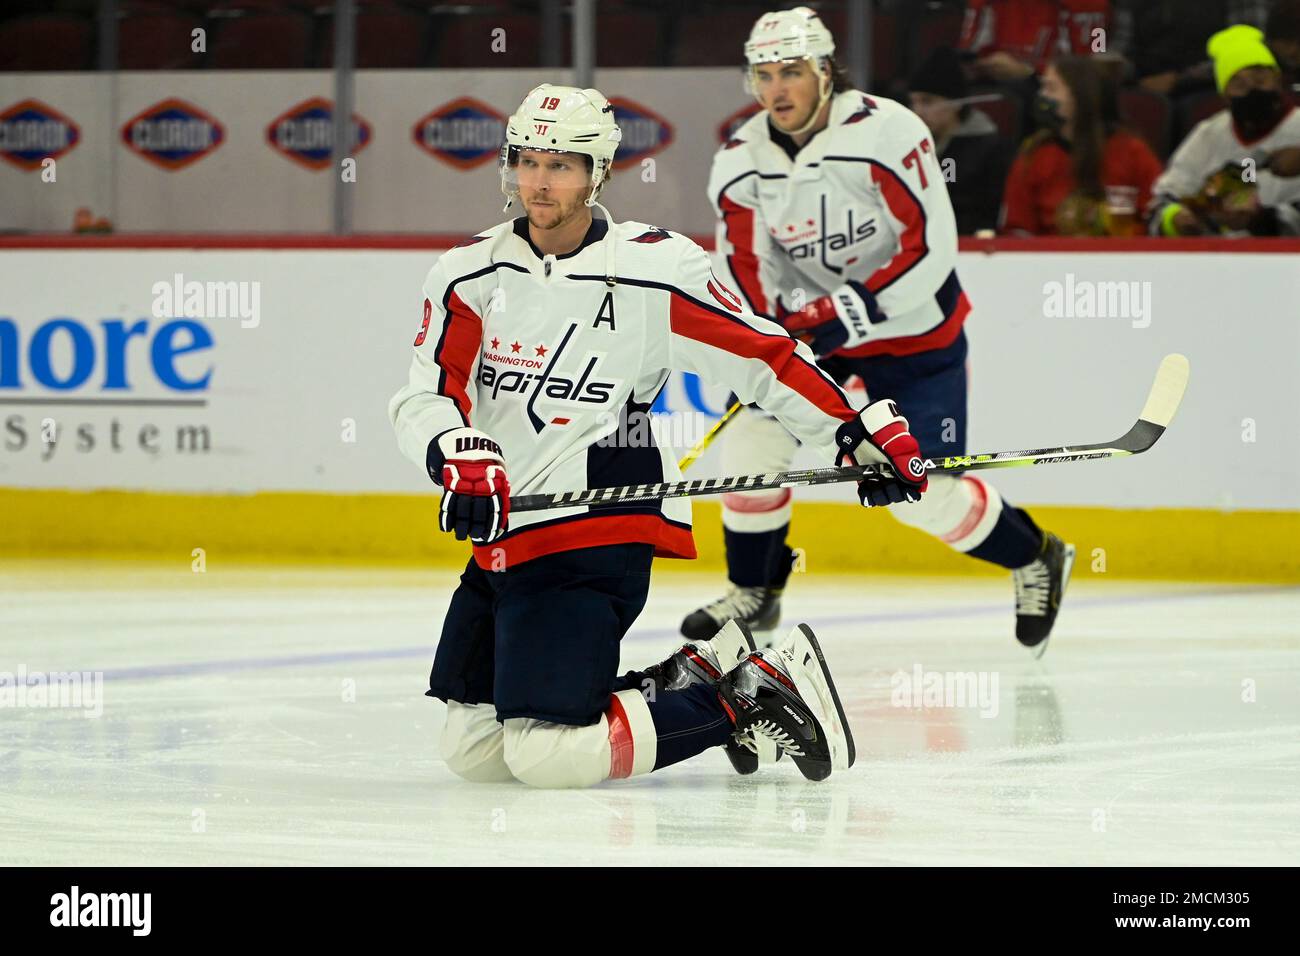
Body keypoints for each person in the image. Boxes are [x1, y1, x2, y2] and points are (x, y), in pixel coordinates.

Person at [389, 83, 930, 788]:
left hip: (597, 524)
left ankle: (750, 697)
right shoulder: (469, 274)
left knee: (551, 756)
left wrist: (852, 432)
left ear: (597, 173)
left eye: (561, 164)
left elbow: (764, 359)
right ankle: (682, 681)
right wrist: (459, 451)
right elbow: (424, 396)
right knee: (475, 754)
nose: (539, 181)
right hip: (504, 538)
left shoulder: (654, 268)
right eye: (528, 159)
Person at [685, 7, 1074, 654]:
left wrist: (846, 313)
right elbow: (748, 273)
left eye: (792, 72)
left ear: (826, 71)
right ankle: (755, 593)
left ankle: (1035, 555)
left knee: (917, 491)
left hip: (915, 338)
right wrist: (772, 343)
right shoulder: (739, 161)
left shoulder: (887, 131)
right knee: (752, 442)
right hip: (817, 342)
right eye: (763, 75)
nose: (777, 89)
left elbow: (930, 247)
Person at [1148, 25, 1300, 237]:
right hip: (1215, 258)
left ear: (1278, 81)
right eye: (1239, 83)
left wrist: (1261, 220)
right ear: (1225, 97)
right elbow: (1163, 198)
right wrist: (1176, 218)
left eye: (1260, 79)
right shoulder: (1208, 134)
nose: (1252, 90)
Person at [1001, 54, 1164, 235]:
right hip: (1051, 260)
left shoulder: (1132, 151)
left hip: (1121, 258)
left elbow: (1156, 215)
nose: (1042, 96)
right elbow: (1018, 228)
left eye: (1051, 88)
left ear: (1080, 95)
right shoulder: (1034, 154)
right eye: (1043, 87)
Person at [908, 45, 1015, 235]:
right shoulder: (912, 145)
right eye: (913, 102)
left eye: (927, 101)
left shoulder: (989, 149)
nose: (918, 111)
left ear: (956, 104)